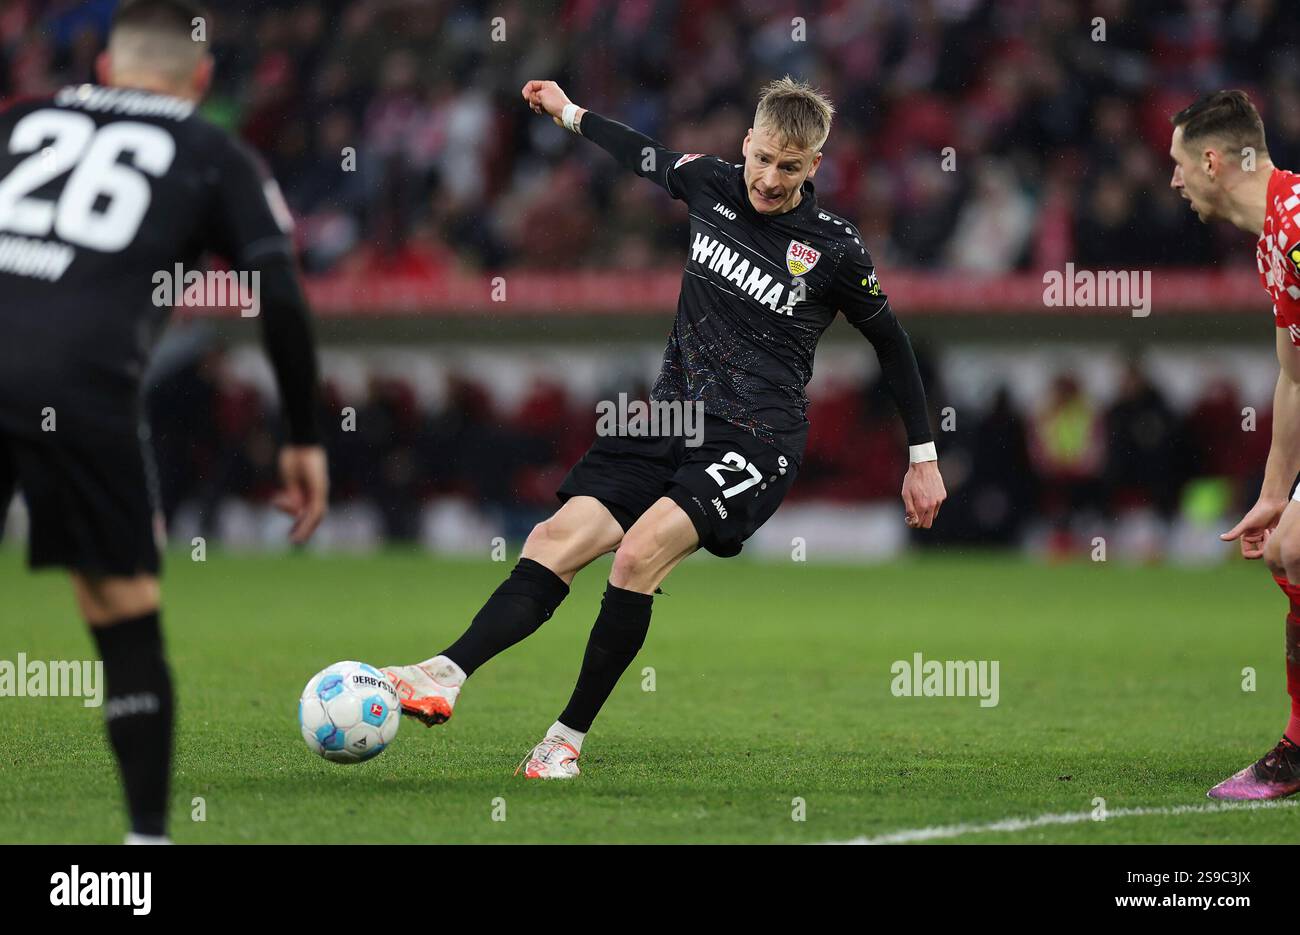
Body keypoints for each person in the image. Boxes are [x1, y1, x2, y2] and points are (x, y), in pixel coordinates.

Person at [385, 76, 945, 779]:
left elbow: (892, 343)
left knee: (636, 555)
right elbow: (642, 154)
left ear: (816, 167)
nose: (770, 179)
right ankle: (445, 672)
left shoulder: (832, 248)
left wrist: (922, 456)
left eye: (790, 167)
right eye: (763, 158)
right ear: (746, 142)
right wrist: (568, 113)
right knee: (552, 539)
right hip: (671, 415)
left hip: (756, 438)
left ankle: (564, 739)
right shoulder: (709, 182)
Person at [0, 0, 328, 840]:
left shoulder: (23, 120)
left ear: (105, 69)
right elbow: (280, 295)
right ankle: (143, 850)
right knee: (122, 611)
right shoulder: (217, 152)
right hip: (80, 383)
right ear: (203, 81)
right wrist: (301, 435)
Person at [1171, 89, 1300, 799]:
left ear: (1213, 160)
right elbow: (1294, 373)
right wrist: (1275, 493)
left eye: (1179, 162)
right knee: (1288, 547)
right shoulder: (1274, 241)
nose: (1174, 179)